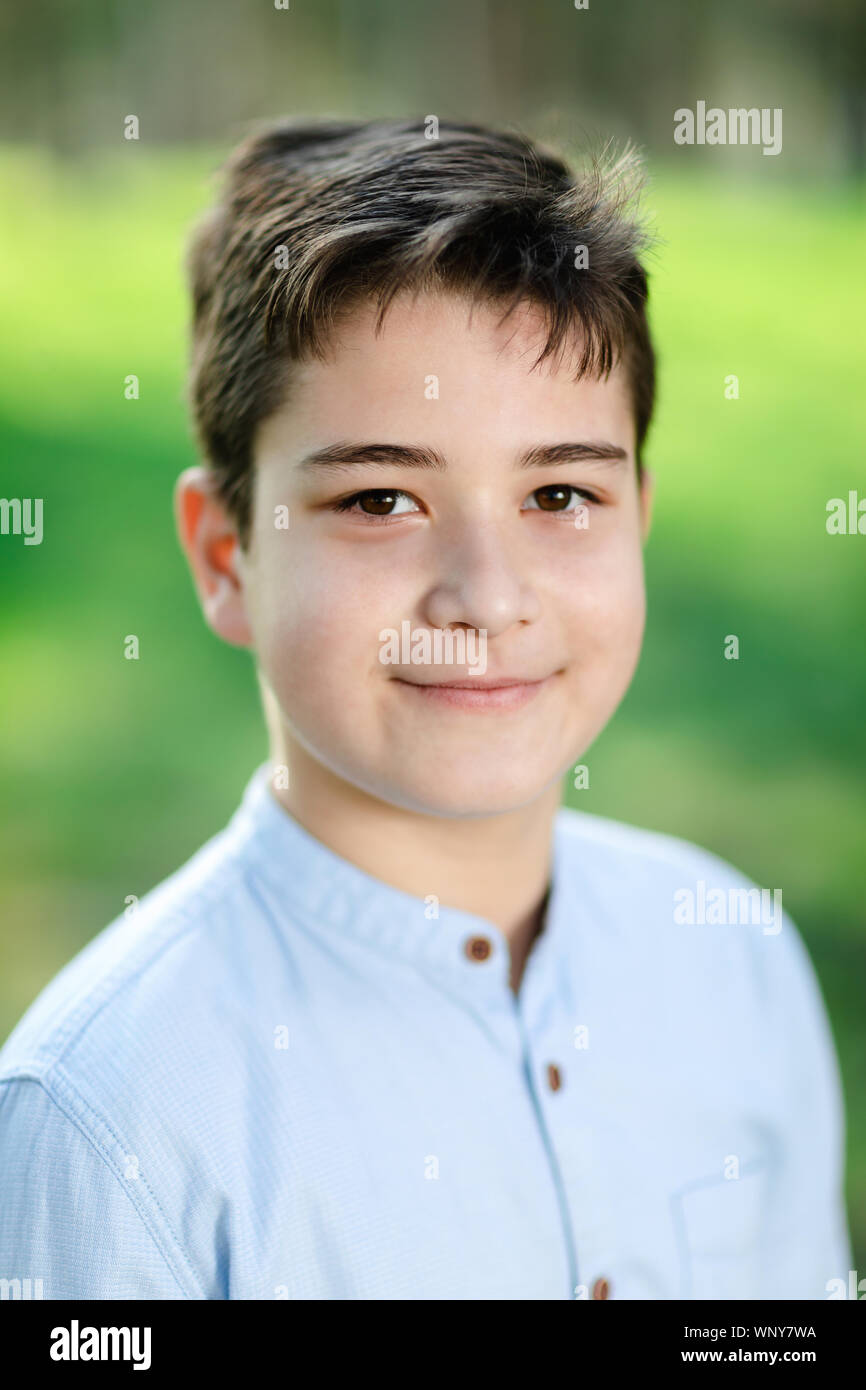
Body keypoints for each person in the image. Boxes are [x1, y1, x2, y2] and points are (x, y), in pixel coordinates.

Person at [0, 118, 851, 1299]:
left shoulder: (731, 956)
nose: (486, 596)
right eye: (380, 498)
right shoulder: (105, 1118)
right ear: (225, 555)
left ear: (637, 520)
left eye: (558, 492)